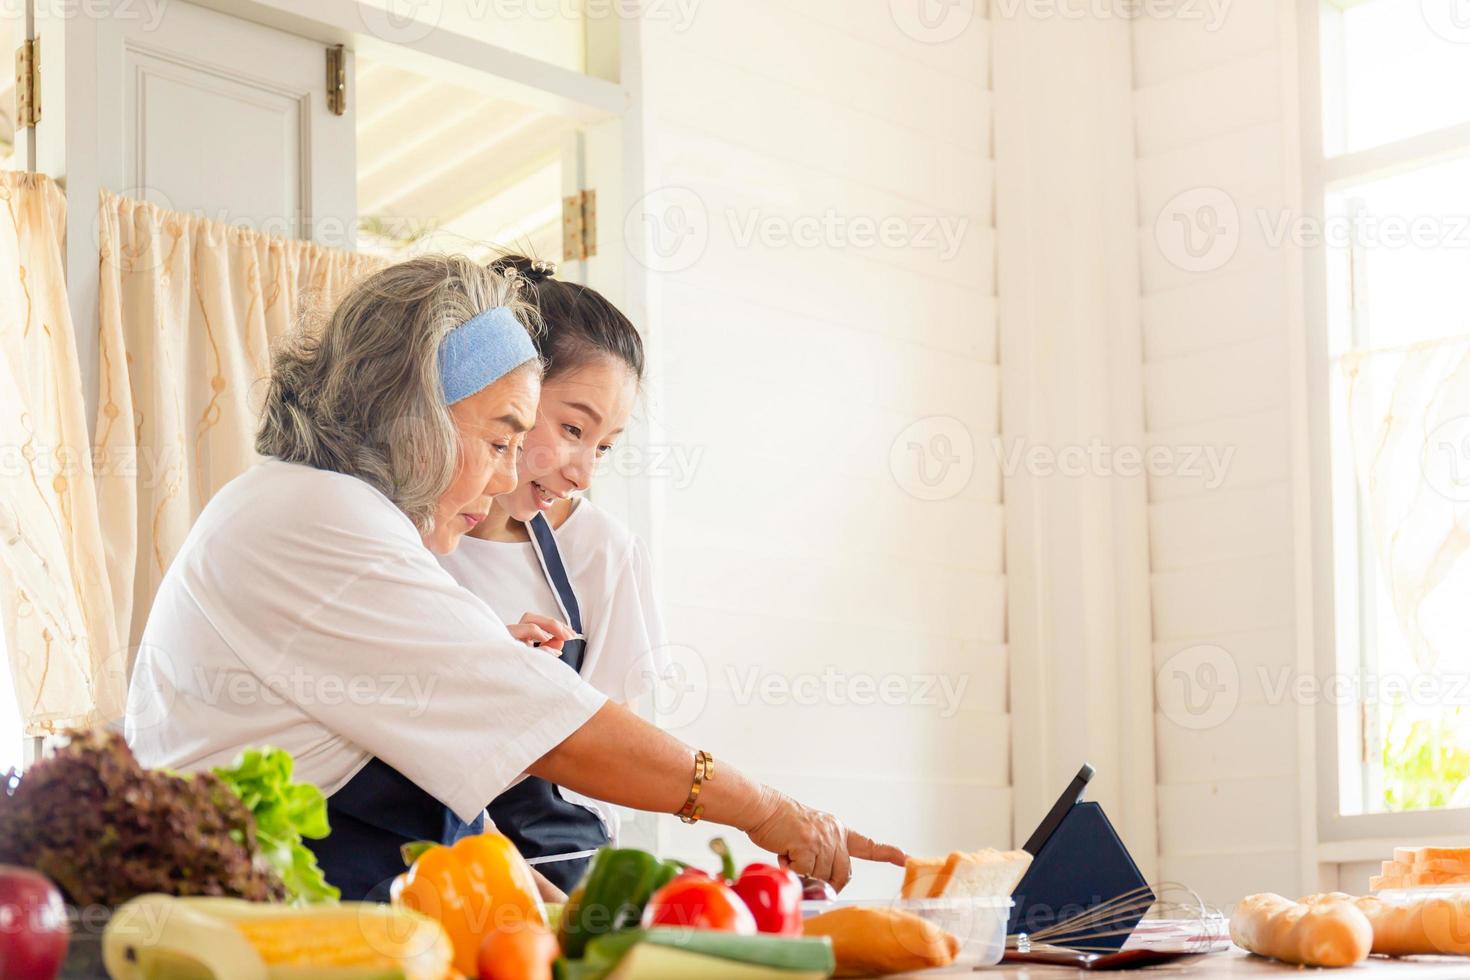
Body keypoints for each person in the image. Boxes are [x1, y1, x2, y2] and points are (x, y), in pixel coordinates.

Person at [124, 255, 904, 901]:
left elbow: (439, 776)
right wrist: (765, 810)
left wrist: (548, 907)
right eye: (502, 441)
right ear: (413, 414)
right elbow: (564, 730)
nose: (504, 483)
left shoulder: (313, 508)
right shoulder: (321, 518)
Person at [438, 257, 663, 890]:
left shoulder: (602, 551)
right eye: (571, 429)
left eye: (605, 446)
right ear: (509, 389)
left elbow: (613, 757)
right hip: (440, 866)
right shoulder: (403, 539)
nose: (583, 472)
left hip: (565, 872)